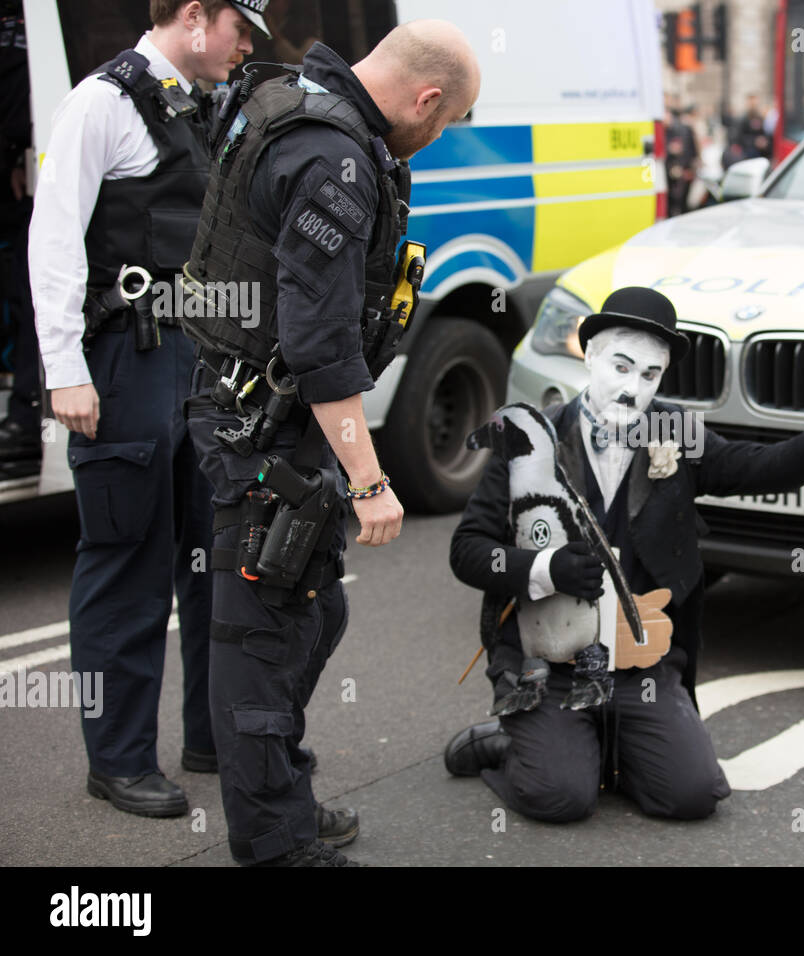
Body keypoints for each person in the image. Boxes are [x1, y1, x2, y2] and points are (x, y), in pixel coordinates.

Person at [181, 19, 480, 866]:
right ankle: (276, 843)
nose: (439, 136)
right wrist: (369, 479)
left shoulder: (292, 100)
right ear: (425, 98)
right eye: (447, 119)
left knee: (312, 611)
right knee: (265, 636)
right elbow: (318, 342)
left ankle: (285, 798)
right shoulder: (336, 159)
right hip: (264, 425)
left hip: (256, 411)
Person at [443, 286, 804, 823]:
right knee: (560, 798)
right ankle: (516, 742)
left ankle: (600, 744)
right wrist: (544, 568)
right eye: (622, 366)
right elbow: (467, 551)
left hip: (640, 664)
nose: (632, 388)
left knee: (691, 796)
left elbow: (751, 466)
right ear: (592, 356)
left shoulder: (674, 433)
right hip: (550, 664)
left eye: (649, 375)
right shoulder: (530, 439)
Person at [27, 0, 266, 819]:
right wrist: (64, 370)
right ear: (195, 15)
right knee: (127, 562)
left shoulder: (210, 107)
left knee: (213, 553)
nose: (246, 46)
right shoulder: (101, 101)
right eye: (241, 25)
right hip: (124, 362)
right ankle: (119, 759)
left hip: (201, 362)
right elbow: (53, 239)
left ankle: (209, 735)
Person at [0, 1, 39, 478]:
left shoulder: (23, 34)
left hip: (19, 191)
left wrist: (16, 158)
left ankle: (25, 415)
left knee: (25, 296)